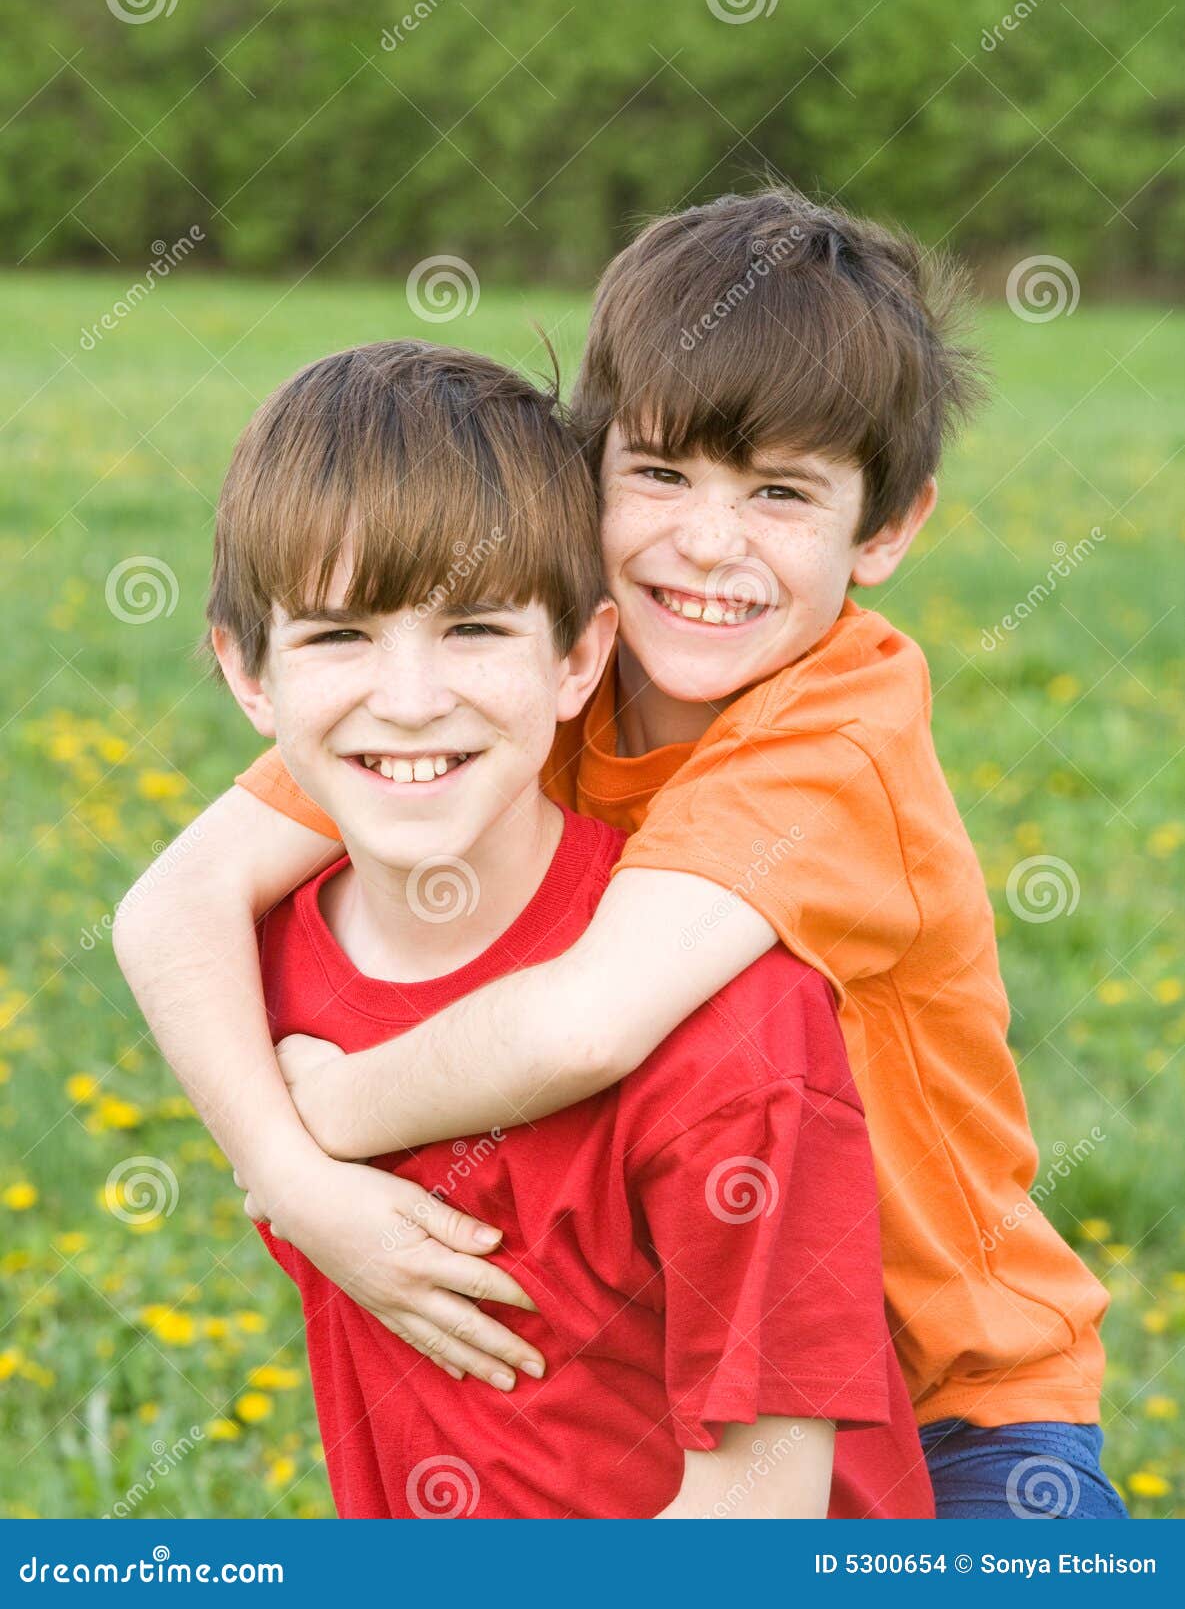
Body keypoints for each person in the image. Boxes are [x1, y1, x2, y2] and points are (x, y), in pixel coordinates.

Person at [115, 186, 1124, 1518]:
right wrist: (299, 1186)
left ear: (883, 528)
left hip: (955, 1405)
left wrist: (322, 1117)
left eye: (777, 494)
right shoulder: (526, 678)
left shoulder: (837, 735)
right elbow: (172, 901)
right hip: (683, 1339)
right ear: (585, 467)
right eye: (658, 473)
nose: (706, 544)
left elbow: (582, 1026)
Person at [203, 337, 932, 1518]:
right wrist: (285, 1160)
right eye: (339, 635)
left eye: (478, 630)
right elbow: (166, 906)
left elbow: (756, 1531)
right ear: (248, 674)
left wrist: (307, 1121)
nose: (408, 697)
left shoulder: (735, 1036)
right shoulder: (268, 960)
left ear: (581, 657)